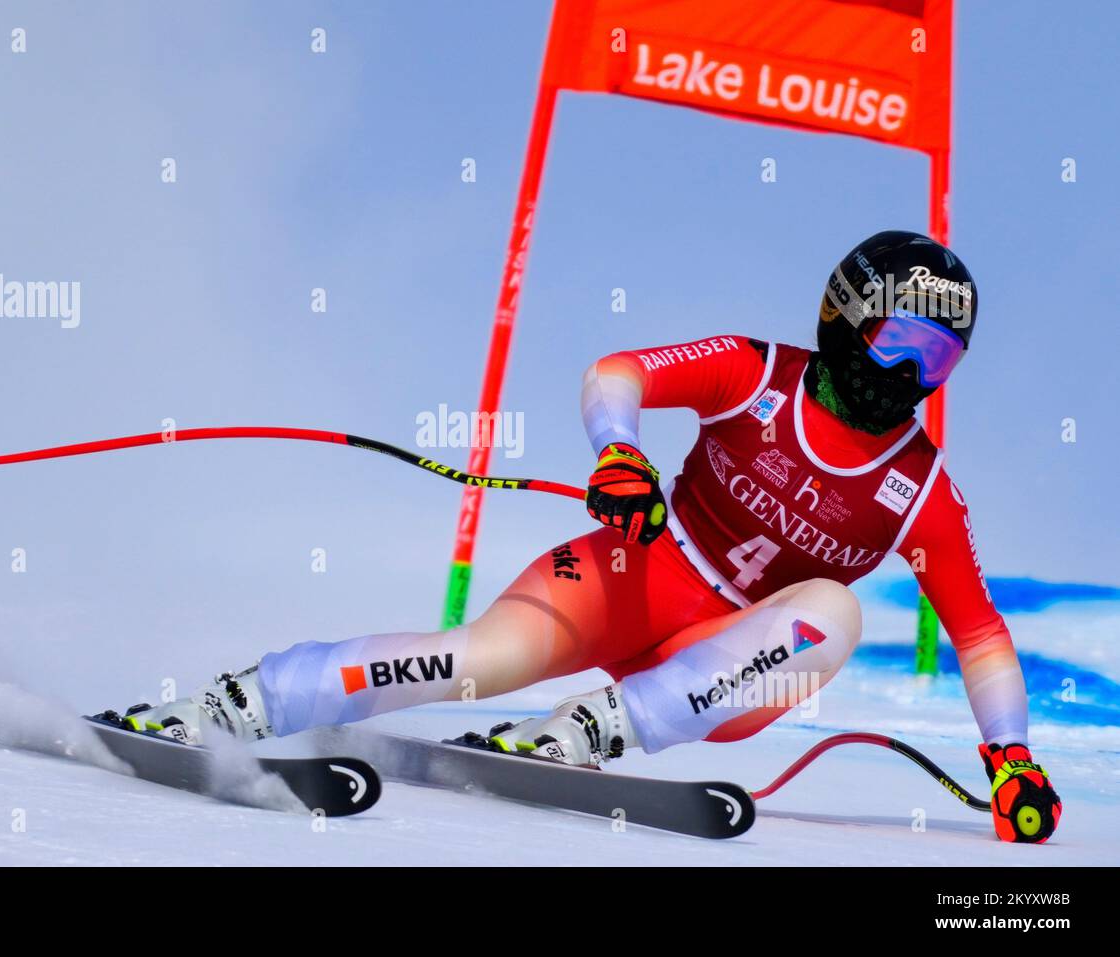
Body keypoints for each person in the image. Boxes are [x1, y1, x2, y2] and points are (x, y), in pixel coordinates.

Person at [112, 230, 1061, 844]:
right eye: (901, 340)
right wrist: (621, 456)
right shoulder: (755, 371)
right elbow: (619, 373)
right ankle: (239, 702)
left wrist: (1010, 757)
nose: (910, 373)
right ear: (842, 317)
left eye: (938, 358)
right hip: (635, 569)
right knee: (476, 657)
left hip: (730, 660)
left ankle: (589, 731)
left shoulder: (918, 485)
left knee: (833, 610)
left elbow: (979, 634)